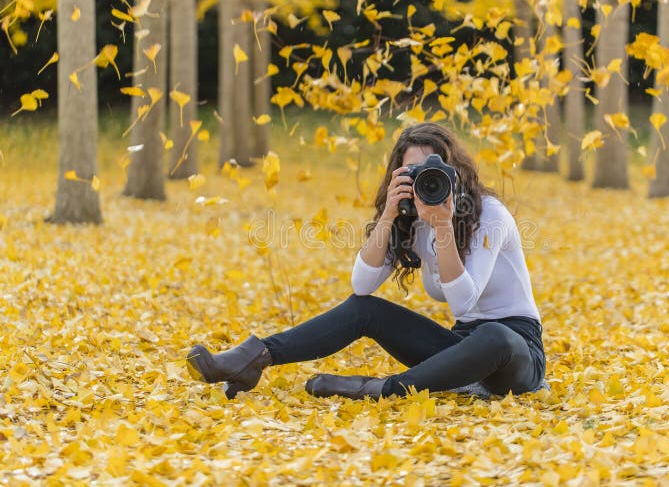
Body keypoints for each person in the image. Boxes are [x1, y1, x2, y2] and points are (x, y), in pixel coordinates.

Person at [186, 122, 546, 400]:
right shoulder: (410, 220)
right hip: (461, 349)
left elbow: (463, 301)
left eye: (432, 173)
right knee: (365, 308)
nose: (424, 182)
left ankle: (377, 389)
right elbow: (361, 287)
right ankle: (255, 357)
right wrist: (390, 213)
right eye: (412, 173)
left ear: (454, 174)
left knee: (494, 335)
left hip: (515, 353)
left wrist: (442, 227)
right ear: (397, 176)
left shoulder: (489, 215)